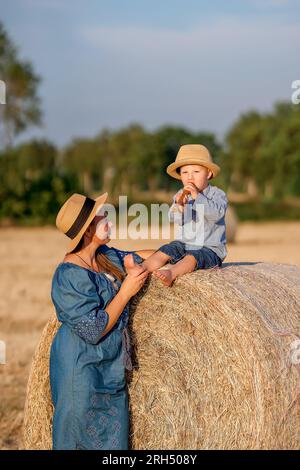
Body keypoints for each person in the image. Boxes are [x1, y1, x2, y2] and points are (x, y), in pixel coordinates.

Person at [50, 192, 150, 450]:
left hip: (110, 370)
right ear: (87, 231)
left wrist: (179, 255)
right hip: (81, 374)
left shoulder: (104, 258)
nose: (109, 219)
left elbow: (139, 256)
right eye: (101, 217)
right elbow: (93, 329)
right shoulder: (69, 276)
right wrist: (126, 290)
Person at [140, 144, 228, 286]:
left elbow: (216, 214)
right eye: (185, 173)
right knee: (166, 250)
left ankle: (171, 273)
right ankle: (141, 269)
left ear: (209, 173)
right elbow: (174, 219)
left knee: (192, 257)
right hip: (184, 243)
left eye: (196, 172)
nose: (190, 177)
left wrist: (197, 197)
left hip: (209, 249)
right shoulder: (180, 195)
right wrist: (179, 207)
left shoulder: (217, 195)